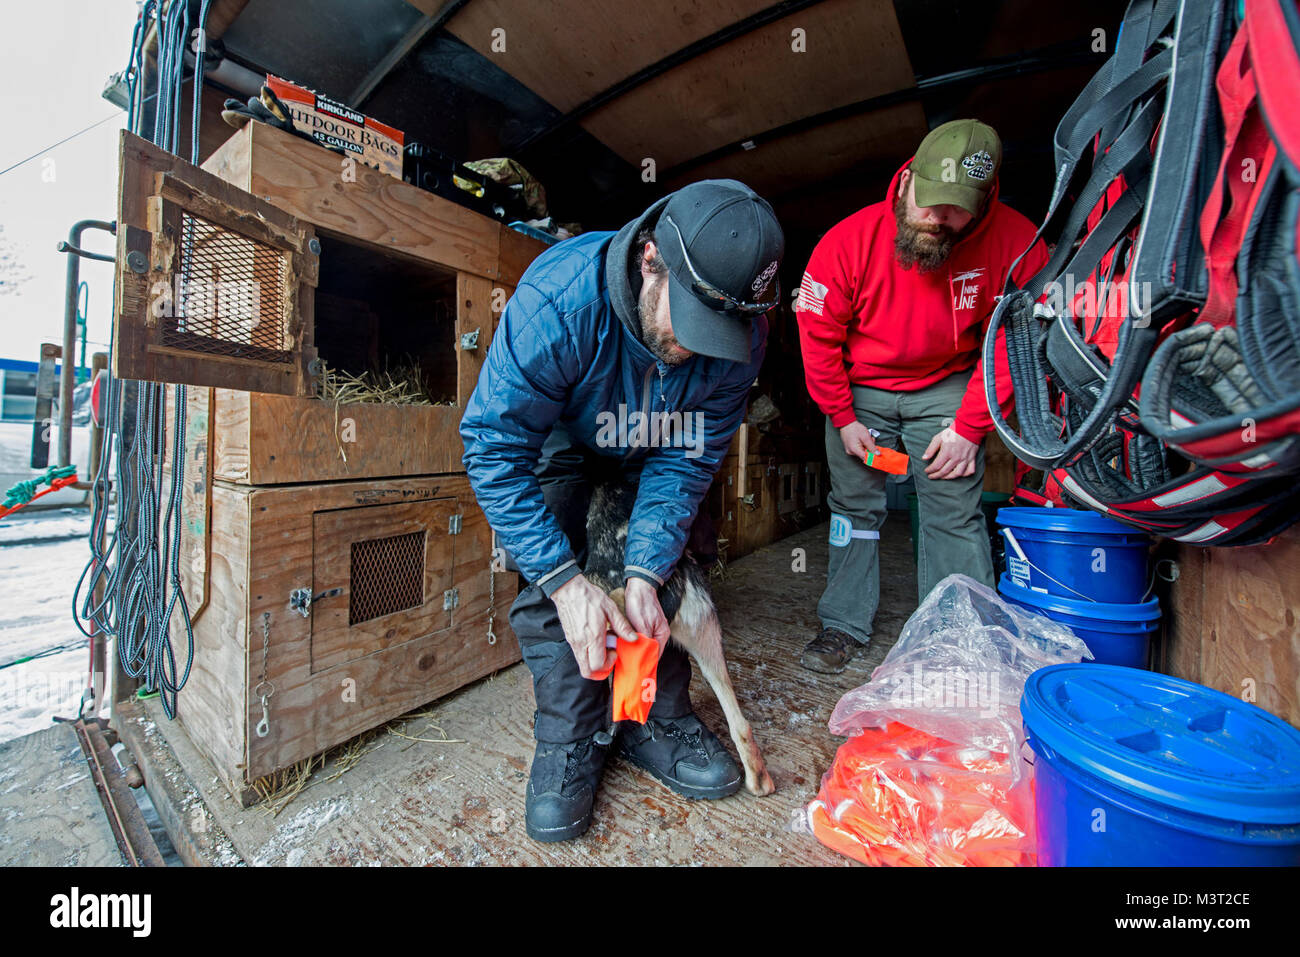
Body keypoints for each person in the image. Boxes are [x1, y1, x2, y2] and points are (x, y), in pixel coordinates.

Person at [460, 180, 784, 841]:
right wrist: (563, 579)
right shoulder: (559, 300)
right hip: (568, 434)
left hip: (659, 446)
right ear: (648, 260)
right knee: (563, 533)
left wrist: (644, 570)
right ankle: (571, 732)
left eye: (718, 335)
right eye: (691, 325)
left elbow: (689, 460)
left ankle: (654, 717)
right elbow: (494, 446)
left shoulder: (742, 338)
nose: (698, 349)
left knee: (669, 558)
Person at [793, 119, 1047, 673]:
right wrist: (840, 415)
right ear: (907, 179)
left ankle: (961, 636)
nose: (937, 218)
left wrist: (970, 427)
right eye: (928, 201)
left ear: (983, 201)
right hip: (860, 387)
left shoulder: (1016, 242)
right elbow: (817, 334)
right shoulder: (847, 241)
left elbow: (1014, 344)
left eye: (955, 209)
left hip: (949, 384)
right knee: (855, 505)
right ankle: (842, 624)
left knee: (952, 507)